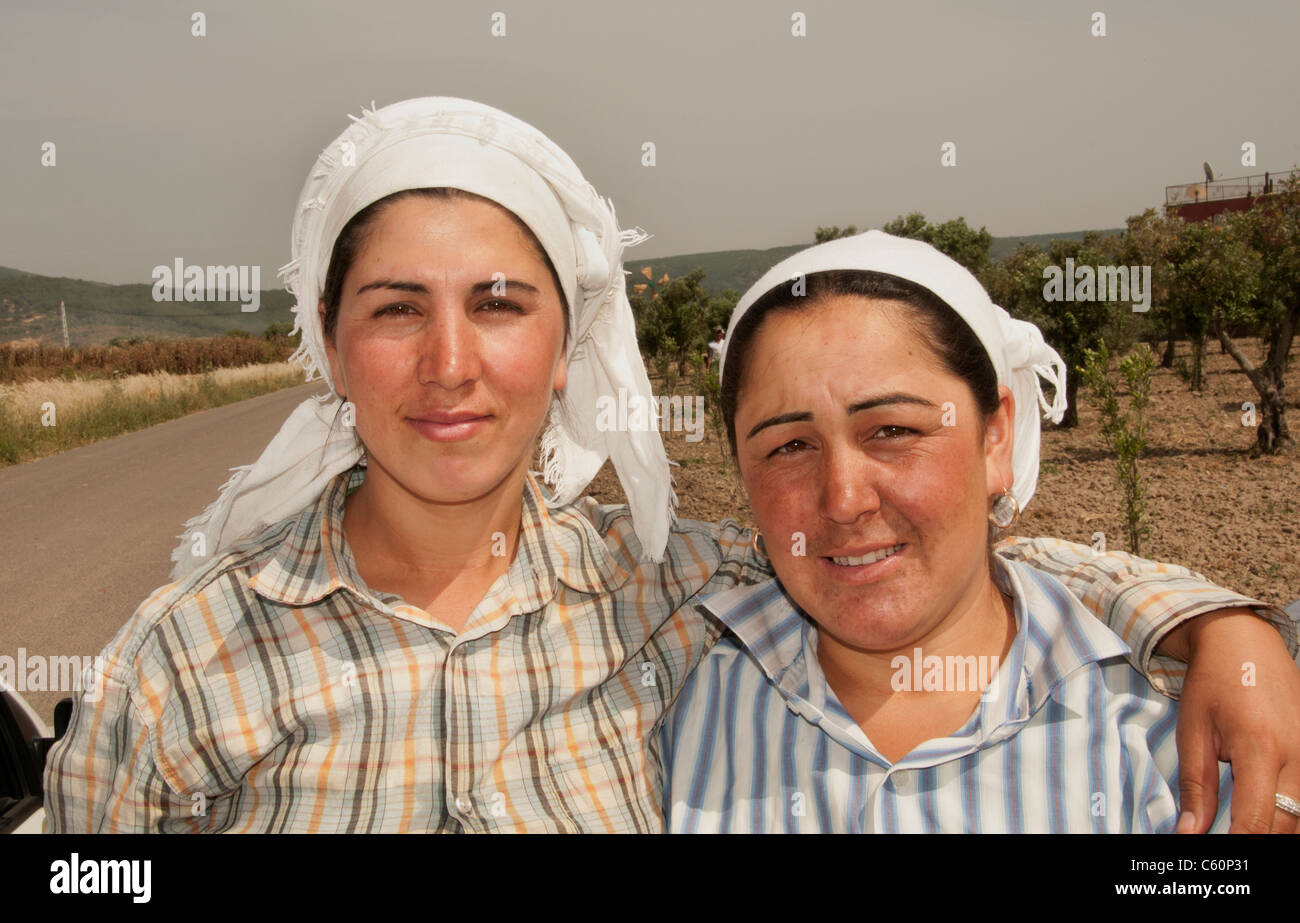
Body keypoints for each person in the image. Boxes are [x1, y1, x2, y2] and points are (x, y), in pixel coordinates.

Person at [42, 99, 1300, 833]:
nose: (447, 362)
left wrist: (1220, 623)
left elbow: (921, 555)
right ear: (328, 342)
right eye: (390, 309)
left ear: (563, 340)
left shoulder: (658, 592)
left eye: (496, 302)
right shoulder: (185, 653)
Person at [656, 230, 1300, 833]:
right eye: (790, 445)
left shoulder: (1184, 745)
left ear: (997, 438)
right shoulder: (667, 707)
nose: (844, 500)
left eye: (893, 431)